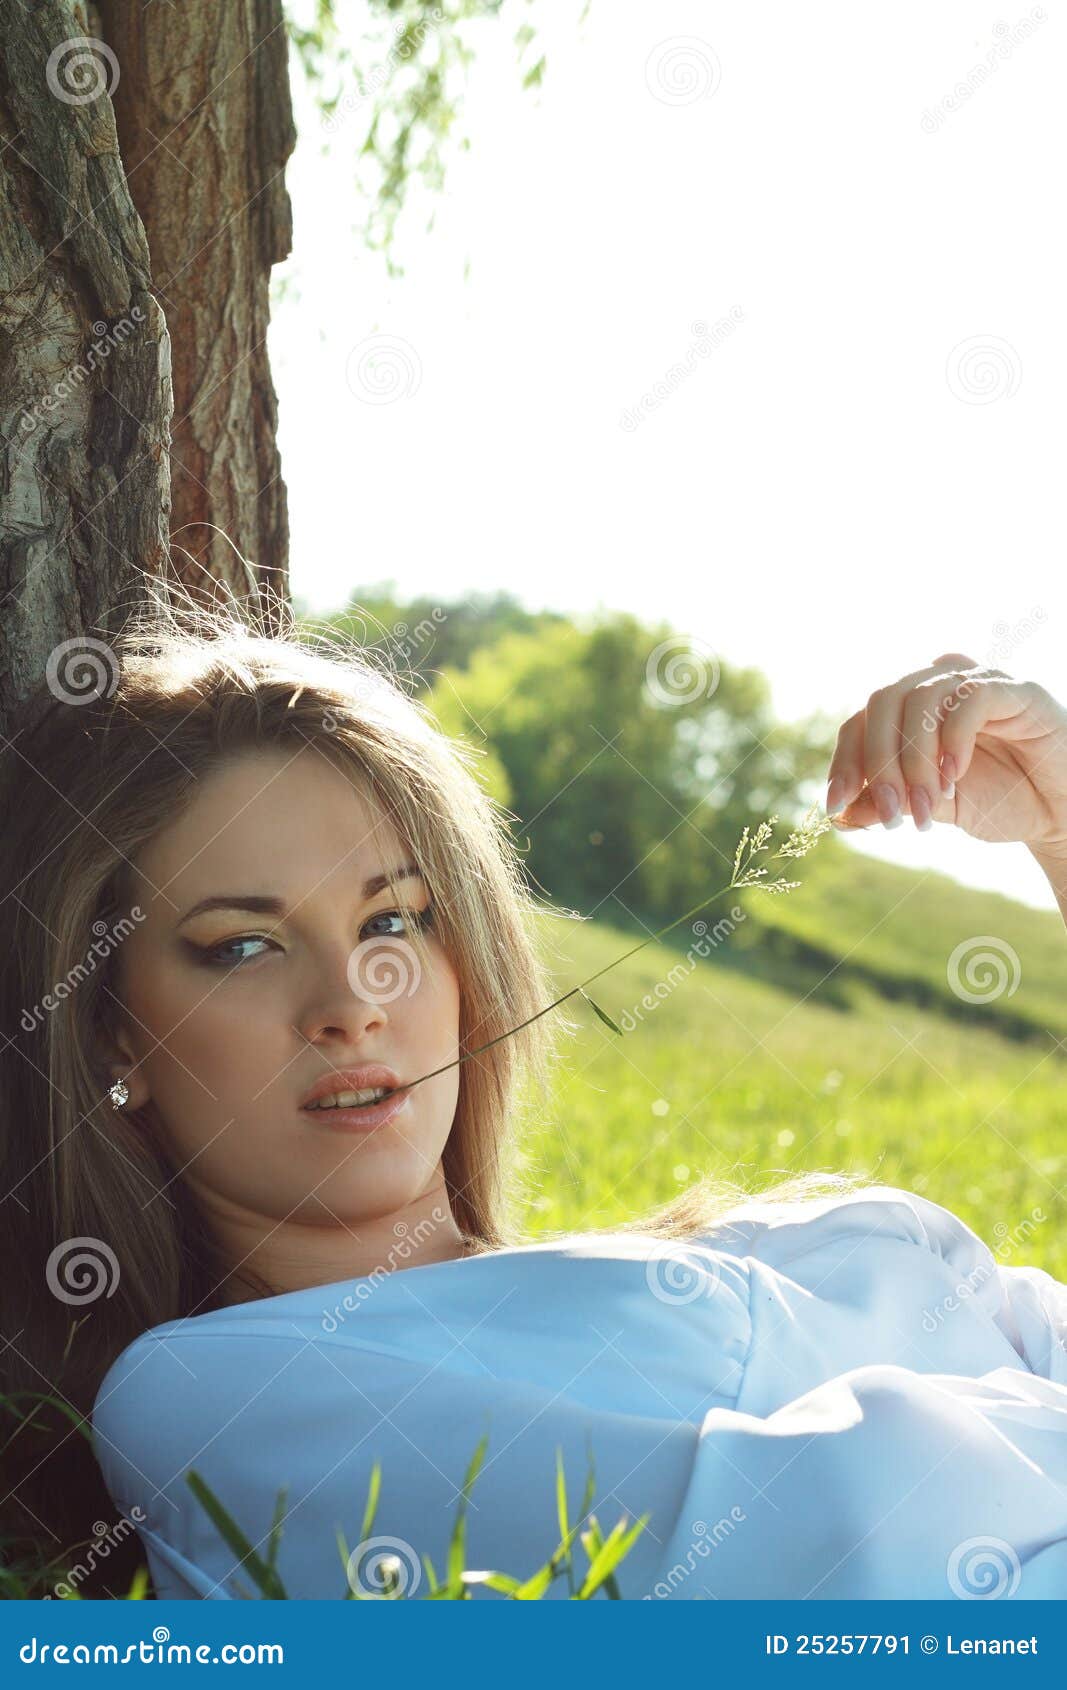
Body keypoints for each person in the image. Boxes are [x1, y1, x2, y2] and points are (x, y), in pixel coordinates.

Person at [2, 589, 1066, 1599]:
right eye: (243, 945)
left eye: (392, 920)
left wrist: (1054, 821)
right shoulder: (212, 1401)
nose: (352, 1002)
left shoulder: (722, 1252)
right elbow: (856, 1540)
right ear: (112, 1037)